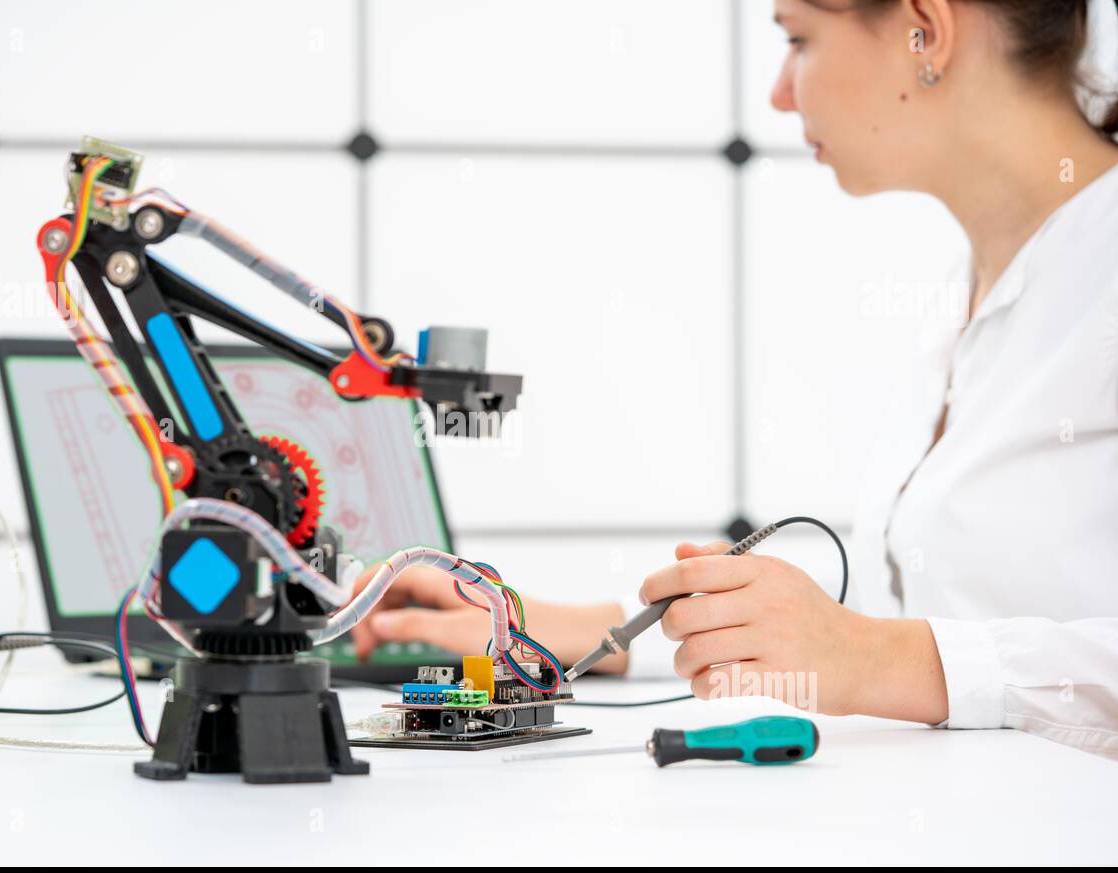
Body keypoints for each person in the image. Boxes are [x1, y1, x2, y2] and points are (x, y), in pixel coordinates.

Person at [348, 0, 1118, 758]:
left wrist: (884, 659)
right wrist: (595, 631)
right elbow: (933, 609)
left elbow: (900, 653)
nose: (781, 91)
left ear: (928, 29)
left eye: (799, 39)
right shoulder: (963, 295)